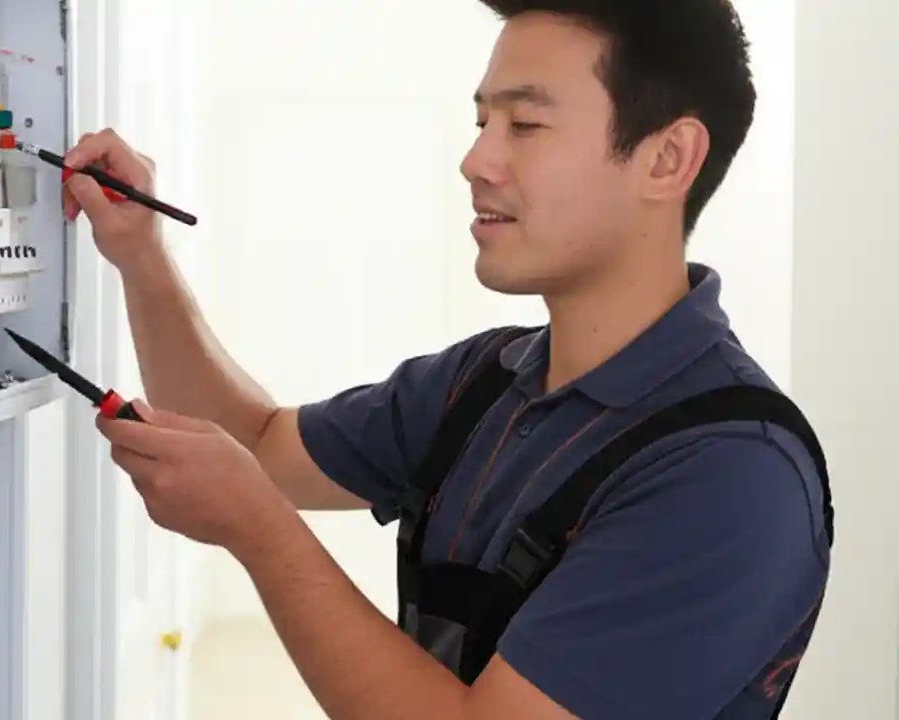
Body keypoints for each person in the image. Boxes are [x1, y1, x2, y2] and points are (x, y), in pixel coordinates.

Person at [61, 1, 833, 717]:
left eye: (524, 125)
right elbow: (253, 443)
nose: (476, 160)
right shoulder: (484, 386)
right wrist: (140, 255)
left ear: (668, 160)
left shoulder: (730, 472)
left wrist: (261, 533)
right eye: (481, 120)